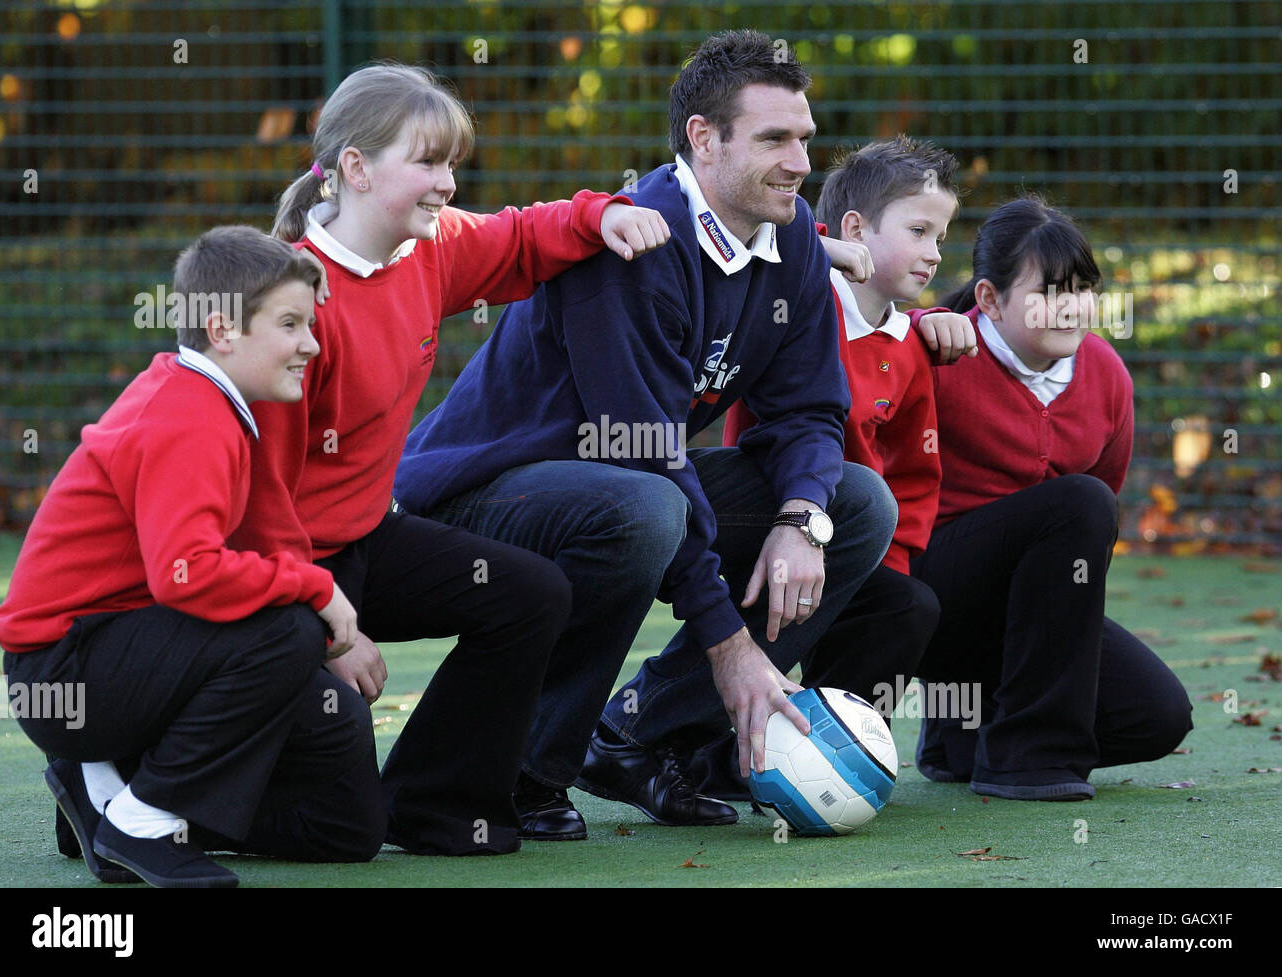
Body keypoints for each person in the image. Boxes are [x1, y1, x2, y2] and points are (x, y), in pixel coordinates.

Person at [393, 31, 899, 839]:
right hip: (472, 496)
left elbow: (808, 409)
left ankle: (641, 731)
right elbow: (644, 450)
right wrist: (729, 642)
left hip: (625, 483)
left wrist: (803, 517)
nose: (801, 161)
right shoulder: (637, 239)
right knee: (642, 510)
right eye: (774, 139)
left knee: (856, 501)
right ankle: (524, 768)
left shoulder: (794, 233)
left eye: (805, 137)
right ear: (704, 138)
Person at [230, 62, 671, 856]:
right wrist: (334, 628)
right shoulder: (294, 306)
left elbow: (522, 233)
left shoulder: (427, 249)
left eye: (452, 165)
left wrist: (603, 214)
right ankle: (134, 793)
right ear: (355, 169)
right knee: (341, 825)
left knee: (530, 594)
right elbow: (264, 503)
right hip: (279, 570)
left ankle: (433, 803)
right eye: (428, 162)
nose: (446, 183)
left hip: (369, 539)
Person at [0, 226, 382, 888]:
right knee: (287, 627)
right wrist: (315, 591)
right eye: (290, 324)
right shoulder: (187, 415)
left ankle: (108, 797)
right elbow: (188, 573)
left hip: (121, 658)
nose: (311, 344)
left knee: (347, 822)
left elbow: (264, 536)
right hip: (66, 674)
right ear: (223, 330)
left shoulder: (217, 400)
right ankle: (139, 822)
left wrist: (324, 619)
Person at [691, 136, 961, 798]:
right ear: (853, 230)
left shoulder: (914, 343)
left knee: (909, 605)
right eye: (919, 230)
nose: (934, 250)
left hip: (851, 545)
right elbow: (770, 237)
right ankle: (705, 747)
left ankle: (819, 748)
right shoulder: (801, 296)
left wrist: (876, 571)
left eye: (942, 236)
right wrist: (818, 246)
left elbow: (914, 475)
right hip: (767, 525)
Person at [905, 196, 1193, 800]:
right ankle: (1025, 759)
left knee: (1159, 716)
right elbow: (861, 362)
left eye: (1084, 289)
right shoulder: (933, 351)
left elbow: (1092, 535)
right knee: (1081, 503)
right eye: (1051, 292)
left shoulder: (1107, 374)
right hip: (932, 596)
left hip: (1034, 610)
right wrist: (915, 325)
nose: (1073, 307)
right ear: (988, 299)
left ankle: (969, 733)